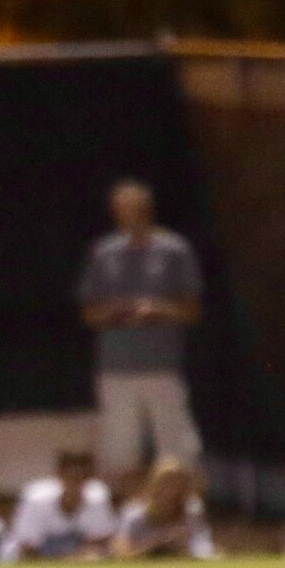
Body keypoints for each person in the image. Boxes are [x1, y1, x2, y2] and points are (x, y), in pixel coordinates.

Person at [77, 180, 204, 483]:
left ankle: (184, 515)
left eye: (132, 209)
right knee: (118, 451)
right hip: (117, 368)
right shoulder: (104, 253)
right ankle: (122, 517)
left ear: (147, 210)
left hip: (162, 366)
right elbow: (89, 313)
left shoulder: (174, 250)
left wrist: (157, 310)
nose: (126, 215)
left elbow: (192, 310)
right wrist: (117, 312)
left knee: (177, 451)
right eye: (120, 210)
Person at [0, 451, 117, 563]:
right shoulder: (36, 498)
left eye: (82, 478)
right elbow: (27, 548)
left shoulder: (97, 497)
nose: (75, 483)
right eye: (70, 477)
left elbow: (101, 542)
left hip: (73, 566)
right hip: (18, 562)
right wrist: (68, 559)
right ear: (59, 477)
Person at [110, 458, 215, 561]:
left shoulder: (192, 511)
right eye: (165, 484)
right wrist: (158, 543)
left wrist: (183, 544)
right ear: (153, 485)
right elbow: (120, 552)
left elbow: (205, 550)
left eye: (177, 485)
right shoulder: (134, 514)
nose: (171, 490)